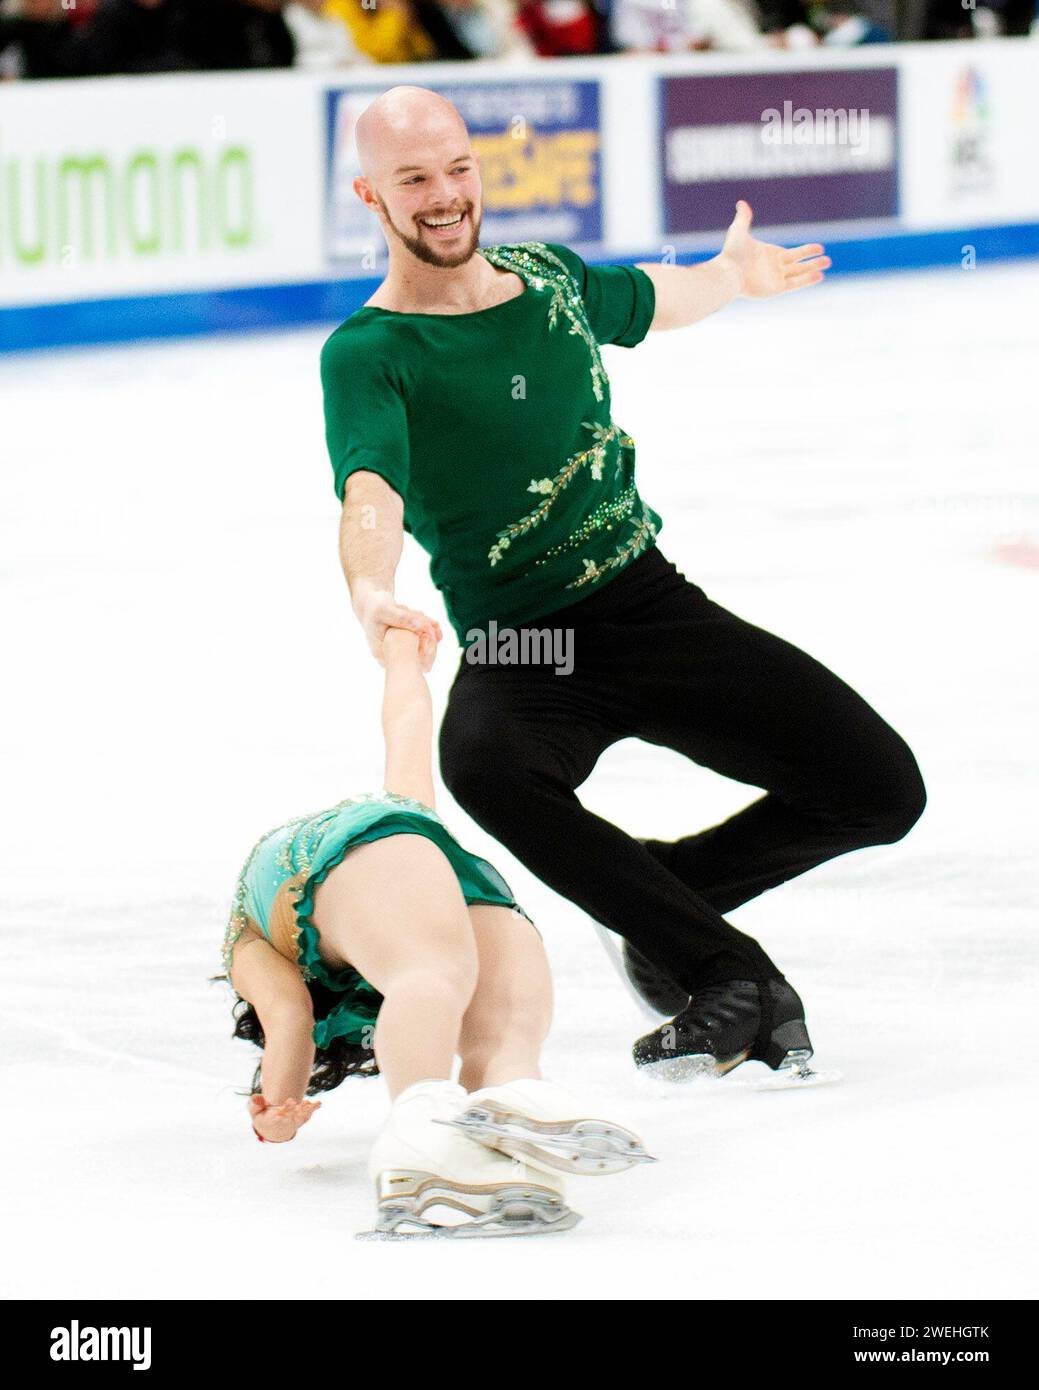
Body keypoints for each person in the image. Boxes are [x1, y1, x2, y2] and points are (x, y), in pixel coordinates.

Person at [319, 86, 926, 1084]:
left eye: (457, 169)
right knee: (482, 761)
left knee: (878, 787)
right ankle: (730, 977)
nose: (443, 195)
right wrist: (366, 588)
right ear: (369, 194)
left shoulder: (550, 282)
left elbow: (655, 296)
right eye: (413, 178)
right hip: (524, 642)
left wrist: (730, 275)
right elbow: (370, 488)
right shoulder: (371, 354)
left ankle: (663, 901)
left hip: (647, 604)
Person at [215, 626, 651, 1237]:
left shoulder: (247, 944)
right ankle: (512, 1103)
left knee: (428, 976)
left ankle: (419, 1136)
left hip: (341, 861)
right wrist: (401, 656)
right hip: (446, 868)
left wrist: (274, 1116)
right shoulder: (400, 840)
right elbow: (406, 727)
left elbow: (288, 1018)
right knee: (500, 1039)